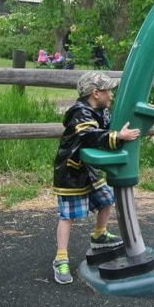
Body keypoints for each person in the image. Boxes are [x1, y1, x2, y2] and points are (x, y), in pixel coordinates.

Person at [51, 71, 141, 285]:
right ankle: (60, 257)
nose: (111, 95)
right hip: (72, 173)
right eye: (108, 90)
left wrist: (134, 120)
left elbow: (112, 125)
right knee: (68, 215)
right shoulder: (80, 113)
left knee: (106, 199)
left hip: (88, 170)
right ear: (95, 93)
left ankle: (99, 235)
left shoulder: (100, 110)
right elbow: (90, 136)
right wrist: (118, 137)